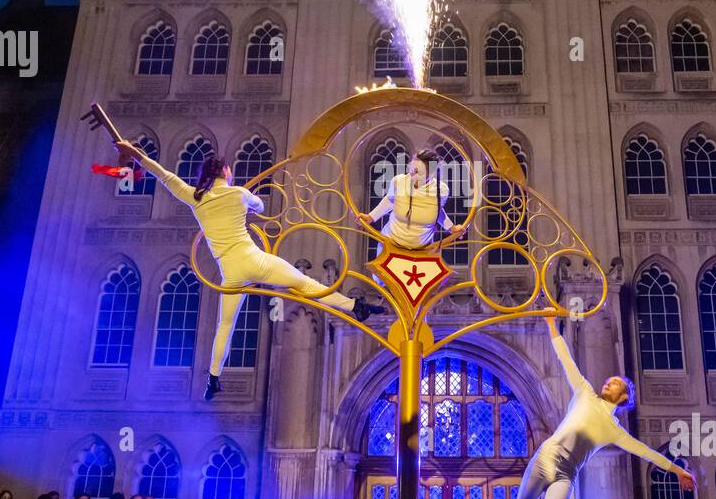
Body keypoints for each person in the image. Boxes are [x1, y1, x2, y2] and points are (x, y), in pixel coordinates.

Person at [115, 139, 383, 399]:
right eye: (229, 169)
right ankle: (355, 307)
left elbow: (165, 176)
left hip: (230, 272)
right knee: (303, 283)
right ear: (225, 172)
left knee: (226, 324)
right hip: (255, 261)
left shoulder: (195, 197)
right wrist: (247, 202)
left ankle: (213, 378)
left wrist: (138, 155)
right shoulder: (239, 193)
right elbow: (261, 206)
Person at [473, 316, 694, 499]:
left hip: (565, 474)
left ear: (623, 397)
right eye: (608, 379)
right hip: (544, 460)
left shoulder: (615, 430)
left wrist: (678, 470)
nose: (608, 381)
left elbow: (645, 451)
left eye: (614, 383)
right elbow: (566, 359)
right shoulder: (585, 394)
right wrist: (551, 325)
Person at [359, 148, 465, 250]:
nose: (412, 175)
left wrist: (451, 228)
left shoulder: (441, 190)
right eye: (411, 170)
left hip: (424, 250)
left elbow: (437, 210)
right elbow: (390, 200)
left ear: (431, 173)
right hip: (391, 246)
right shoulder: (399, 182)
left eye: (417, 172)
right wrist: (371, 217)